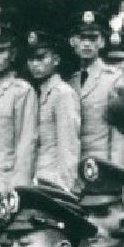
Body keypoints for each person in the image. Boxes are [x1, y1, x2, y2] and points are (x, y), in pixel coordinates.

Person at [0, 21, 37, 194]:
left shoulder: (22, 91)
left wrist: (18, 189)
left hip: (7, 180)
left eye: (0, 52)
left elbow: (26, 143)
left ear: (12, 54)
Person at [68, 11, 124, 165]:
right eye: (82, 38)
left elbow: (120, 134)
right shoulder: (70, 81)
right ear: (73, 41)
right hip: (73, 165)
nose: (87, 44)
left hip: (101, 165)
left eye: (93, 38)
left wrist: (116, 172)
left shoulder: (115, 79)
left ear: (102, 42)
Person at [23, 30, 80, 192]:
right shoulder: (37, 93)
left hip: (54, 183)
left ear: (56, 60)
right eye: (31, 59)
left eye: (41, 58)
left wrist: (64, 190)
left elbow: (68, 148)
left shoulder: (63, 94)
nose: (35, 64)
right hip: (37, 180)